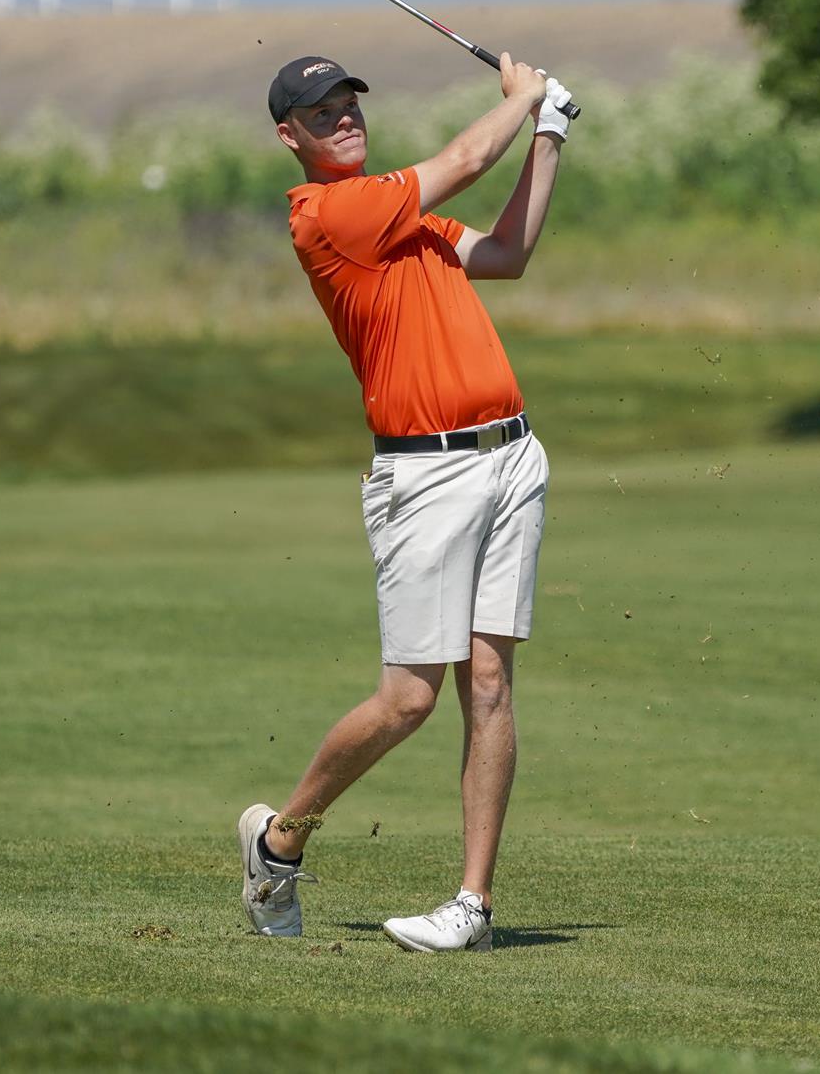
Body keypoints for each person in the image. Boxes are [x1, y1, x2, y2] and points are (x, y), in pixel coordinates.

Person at [238, 51, 578, 953]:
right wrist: (523, 96)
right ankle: (280, 841)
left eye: (349, 101)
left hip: (511, 454)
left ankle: (472, 904)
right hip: (423, 477)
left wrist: (547, 137)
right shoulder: (331, 214)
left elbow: (506, 254)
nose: (343, 117)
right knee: (408, 701)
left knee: (493, 684)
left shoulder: (407, 217)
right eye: (322, 112)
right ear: (290, 136)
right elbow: (467, 156)